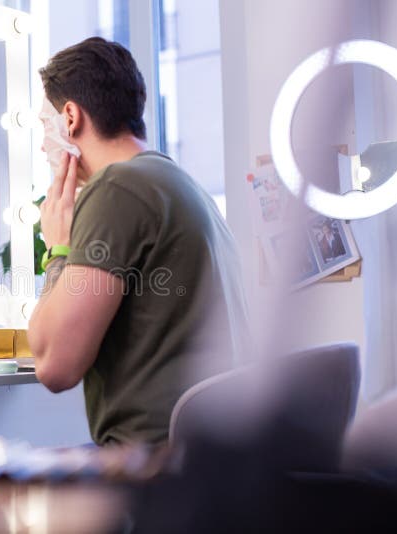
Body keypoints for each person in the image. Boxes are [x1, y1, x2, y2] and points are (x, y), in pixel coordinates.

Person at [28, 38, 250, 446]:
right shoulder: (179, 183)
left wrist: (57, 248)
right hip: (210, 456)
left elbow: (54, 368)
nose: (42, 144)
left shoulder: (118, 187)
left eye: (44, 124)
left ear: (71, 118)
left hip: (151, 467)